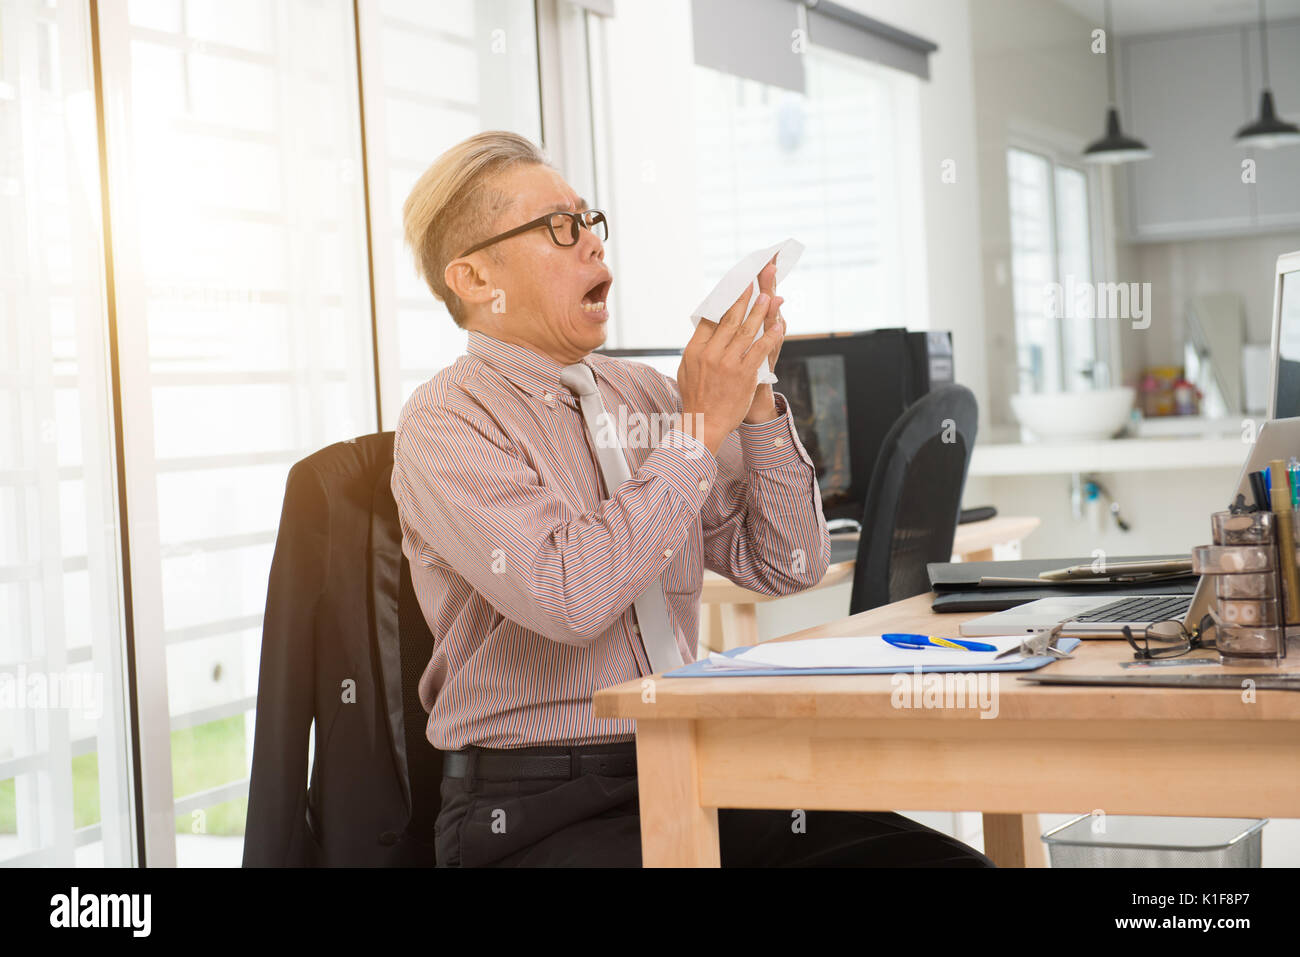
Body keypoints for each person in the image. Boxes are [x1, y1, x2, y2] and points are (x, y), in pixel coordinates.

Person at [391, 131, 991, 868]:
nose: (591, 246)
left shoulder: (643, 394)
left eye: (589, 221)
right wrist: (701, 427)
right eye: (558, 227)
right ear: (477, 278)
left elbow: (789, 562)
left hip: (693, 760)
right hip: (539, 805)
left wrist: (757, 398)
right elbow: (570, 594)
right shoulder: (446, 420)